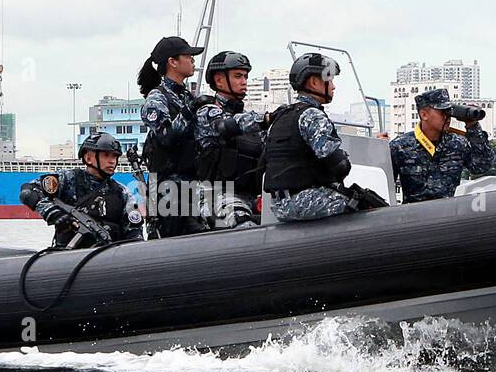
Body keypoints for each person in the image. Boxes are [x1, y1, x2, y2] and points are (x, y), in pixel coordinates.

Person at [264, 53, 385, 222]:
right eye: (330, 80)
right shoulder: (313, 116)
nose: (333, 86)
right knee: (367, 205)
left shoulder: (281, 116)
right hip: (305, 201)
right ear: (314, 82)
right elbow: (339, 167)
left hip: (279, 204)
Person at [20, 132, 145, 249]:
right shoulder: (68, 179)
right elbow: (29, 191)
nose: (112, 161)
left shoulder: (122, 193)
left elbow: (134, 232)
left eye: (115, 156)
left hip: (109, 260)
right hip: (68, 257)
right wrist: (54, 213)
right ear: (89, 158)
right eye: (106, 155)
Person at [137, 35, 207, 237]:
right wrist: (191, 109)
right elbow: (166, 136)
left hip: (194, 185)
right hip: (168, 190)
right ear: (172, 62)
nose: (193, 60)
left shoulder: (185, 96)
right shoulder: (157, 98)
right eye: (188, 56)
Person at [193, 50, 265, 228]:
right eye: (238, 76)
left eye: (246, 77)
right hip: (215, 196)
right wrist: (268, 118)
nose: (244, 82)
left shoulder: (249, 122)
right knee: (243, 226)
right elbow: (225, 127)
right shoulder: (207, 112)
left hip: (252, 196)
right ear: (219, 80)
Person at [389, 87, 493, 203]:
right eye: (442, 112)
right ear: (424, 115)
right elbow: (384, 186)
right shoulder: (400, 147)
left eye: (449, 112)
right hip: (414, 216)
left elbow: (481, 166)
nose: (447, 117)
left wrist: (473, 126)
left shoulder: (457, 143)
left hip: (449, 215)